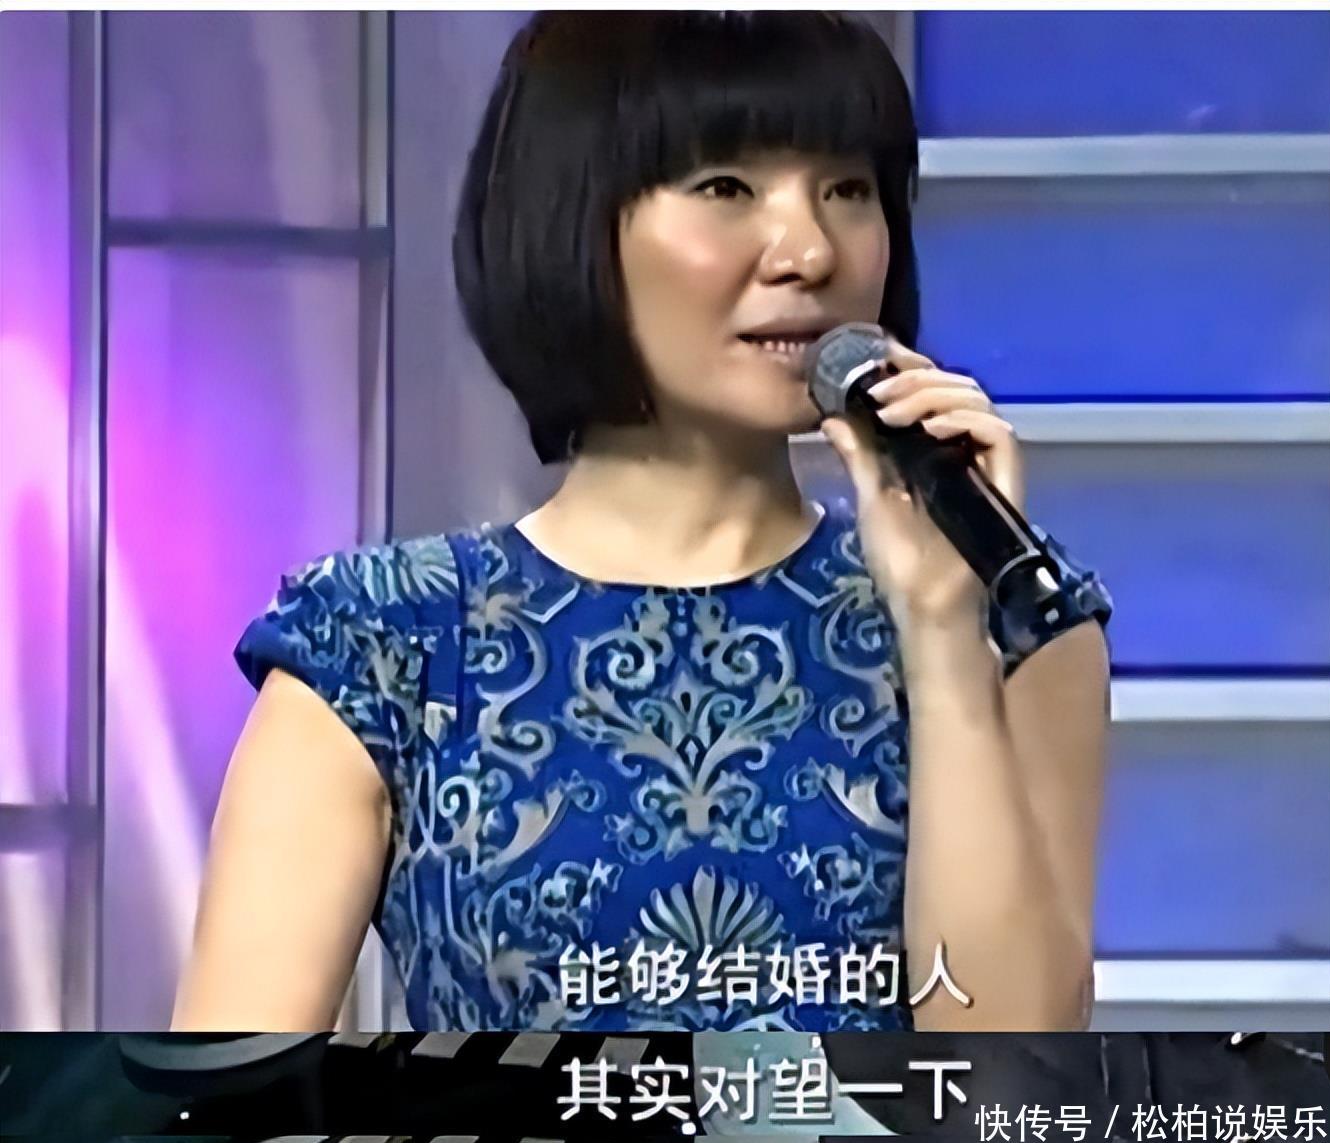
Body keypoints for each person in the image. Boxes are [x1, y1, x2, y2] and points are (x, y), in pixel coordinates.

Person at [173, 12, 1113, 1036]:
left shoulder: (1014, 605)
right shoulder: (384, 642)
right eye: (726, 188)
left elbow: (1006, 1071)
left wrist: (941, 637)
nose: (809, 251)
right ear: (574, 221)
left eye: (848, 189)